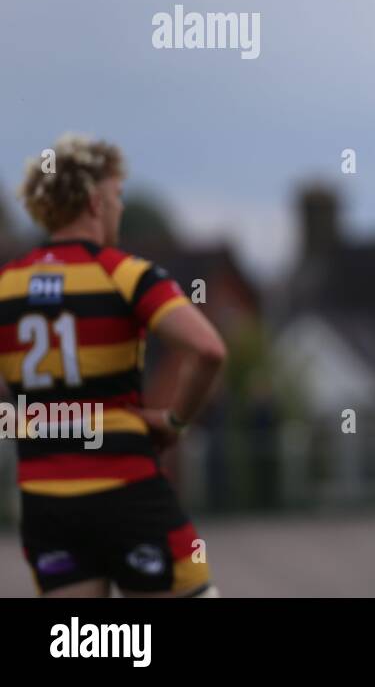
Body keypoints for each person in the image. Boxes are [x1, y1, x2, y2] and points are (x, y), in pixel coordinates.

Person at [0, 134, 226, 596]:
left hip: (45, 504)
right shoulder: (123, 273)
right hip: (127, 491)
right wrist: (175, 421)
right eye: (117, 196)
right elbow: (208, 350)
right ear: (94, 201)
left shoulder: (7, 285)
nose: (120, 209)